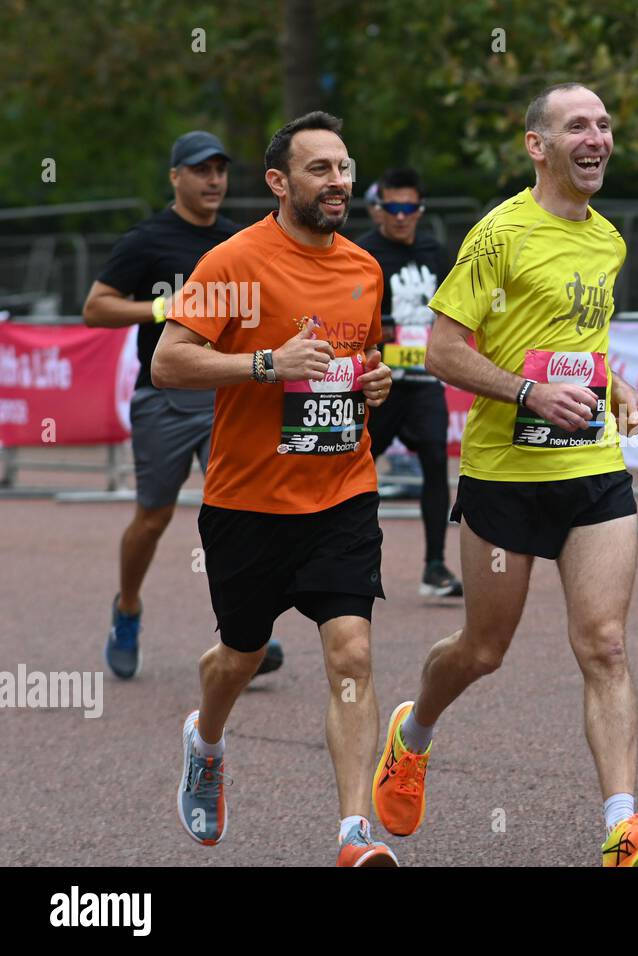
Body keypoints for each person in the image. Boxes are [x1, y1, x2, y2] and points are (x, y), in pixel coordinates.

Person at [368, 83, 638, 867]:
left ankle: (621, 826)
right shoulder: (498, 235)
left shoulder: (608, 239)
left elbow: (579, 338)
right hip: (506, 474)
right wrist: (528, 392)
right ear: (537, 146)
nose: (599, 137)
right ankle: (412, 735)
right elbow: (443, 350)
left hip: (592, 470)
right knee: (482, 650)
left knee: (606, 644)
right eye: (578, 124)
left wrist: (616, 387)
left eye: (607, 124)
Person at [152, 111, 398, 866]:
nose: (338, 182)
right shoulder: (235, 263)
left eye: (344, 168)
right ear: (279, 182)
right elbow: (169, 362)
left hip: (342, 491)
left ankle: (355, 833)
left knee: (352, 653)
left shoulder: (363, 267)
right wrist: (265, 364)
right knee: (241, 654)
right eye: (320, 169)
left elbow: (355, 359)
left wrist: (373, 380)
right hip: (248, 502)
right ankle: (208, 738)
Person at [83, 131, 284, 680]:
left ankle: (249, 630)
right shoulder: (147, 239)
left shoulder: (239, 242)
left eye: (220, 170)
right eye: (200, 170)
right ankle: (127, 608)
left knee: (243, 508)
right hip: (165, 397)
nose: (213, 180)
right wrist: (162, 309)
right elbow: (94, 308)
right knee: (153, 517)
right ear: (176, 177)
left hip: (225, 395)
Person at [357, 167, 463, 598]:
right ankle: (358, 564)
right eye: (393, 208)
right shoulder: (360, 255)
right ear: (378, 209)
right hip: (377, 384)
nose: (401, 217)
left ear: (420, 210)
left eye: (410, 208)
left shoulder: (437, 253)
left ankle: (435, 566)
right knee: (358, 469)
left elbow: (460, 312)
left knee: (437, 463)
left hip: (423, 381)